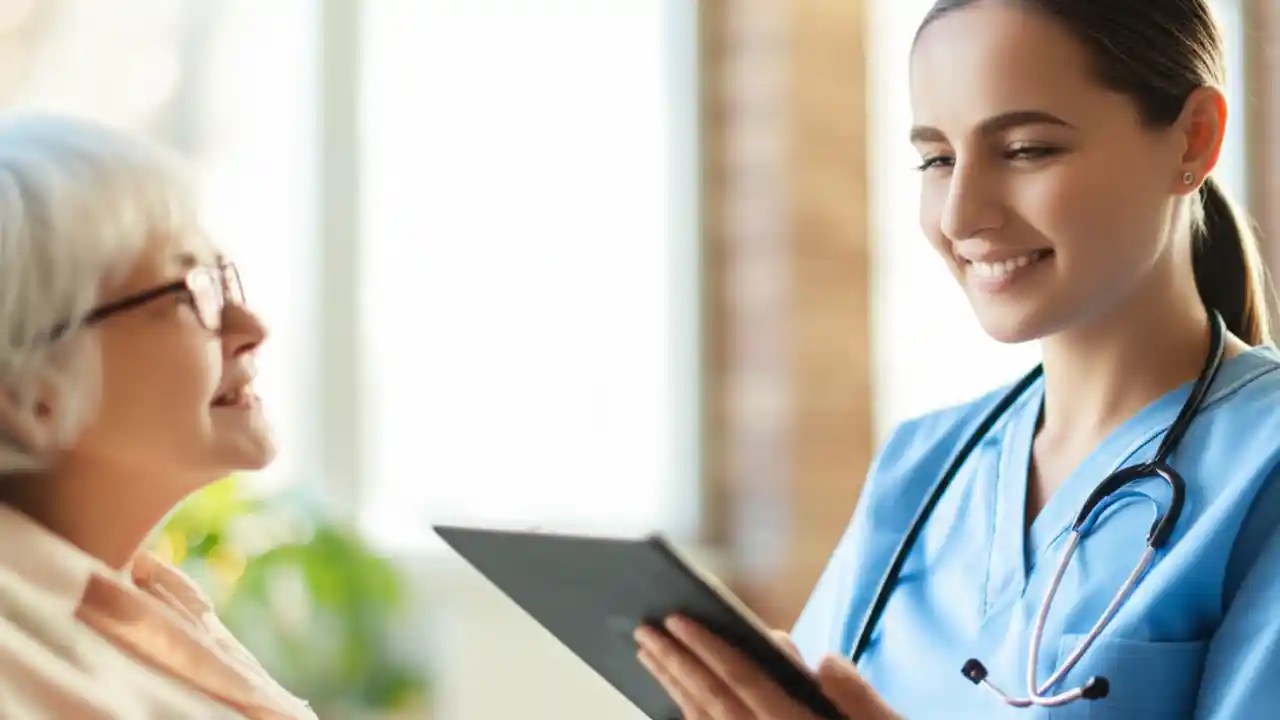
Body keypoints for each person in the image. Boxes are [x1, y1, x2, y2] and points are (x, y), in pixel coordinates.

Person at [634, 1, 1280, 717]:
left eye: (1026, 149)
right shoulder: (924, 467)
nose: (961, 214)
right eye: (938, 159)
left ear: (1194, 139)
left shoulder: (1263, 464)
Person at [0, 115, 316, 718]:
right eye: (191, 288)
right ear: (26, 390)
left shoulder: (141, 601)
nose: (251, 329)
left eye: (222, 279)